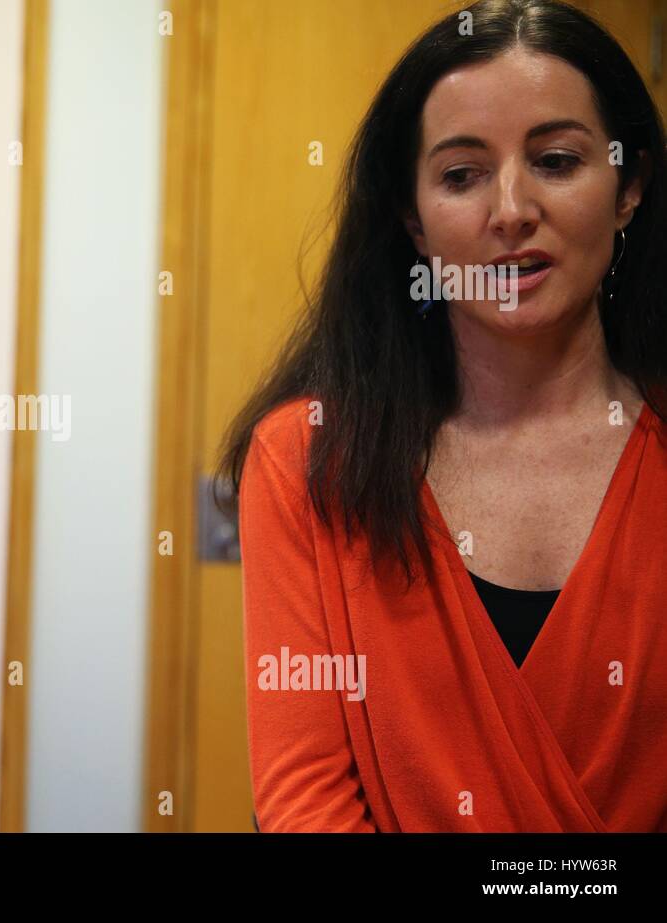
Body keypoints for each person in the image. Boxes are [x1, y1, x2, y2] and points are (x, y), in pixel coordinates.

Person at [222, 0, 667, 831]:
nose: (510, 210)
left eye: (558, 160)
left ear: (629, 186)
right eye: (461, 175)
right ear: (411, 218)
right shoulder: (304, 459)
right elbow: (306, 806)